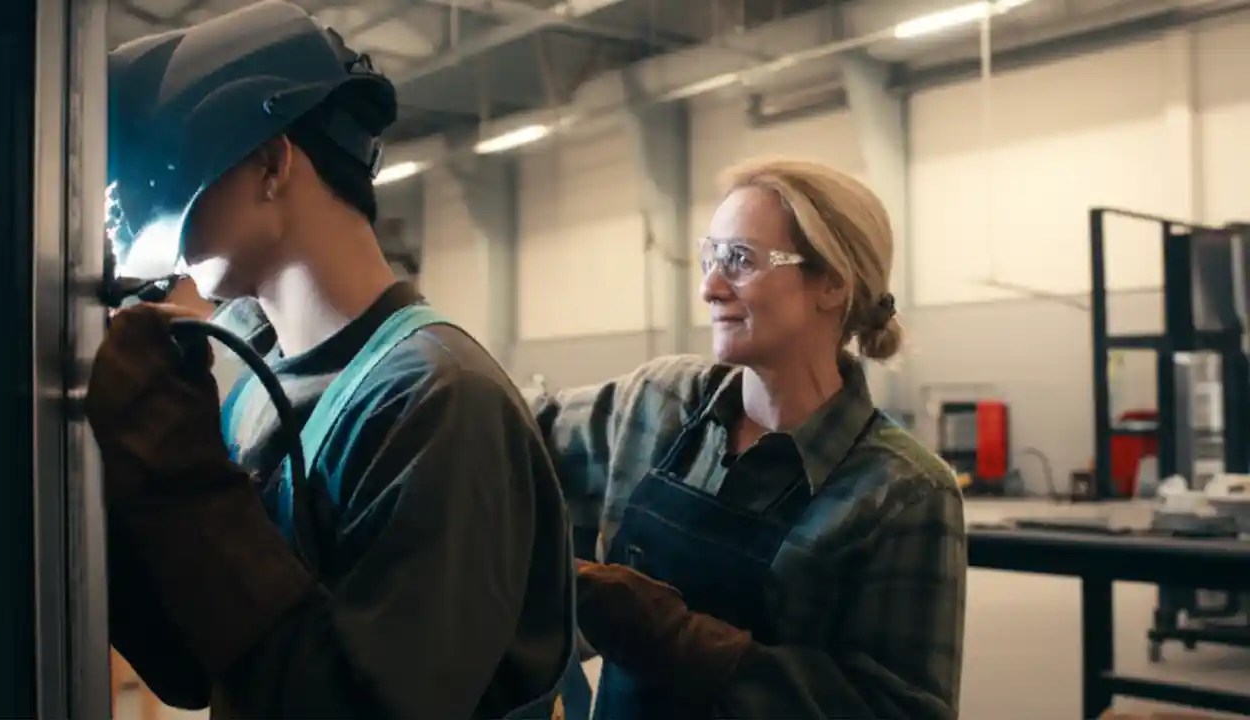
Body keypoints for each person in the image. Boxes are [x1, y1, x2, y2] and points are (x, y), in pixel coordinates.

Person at [87, 2, 574, 718]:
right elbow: (207, 661)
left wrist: (177, 477)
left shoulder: (439, 403)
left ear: (271, 162)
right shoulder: (260, 377)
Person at [534, 158, 967, 719]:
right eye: (709, 256)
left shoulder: (902, 492)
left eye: (739, 260)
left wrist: (678, 641)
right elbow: (509, 441)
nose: (710, 286)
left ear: (832, 282)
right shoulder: (657, 402)